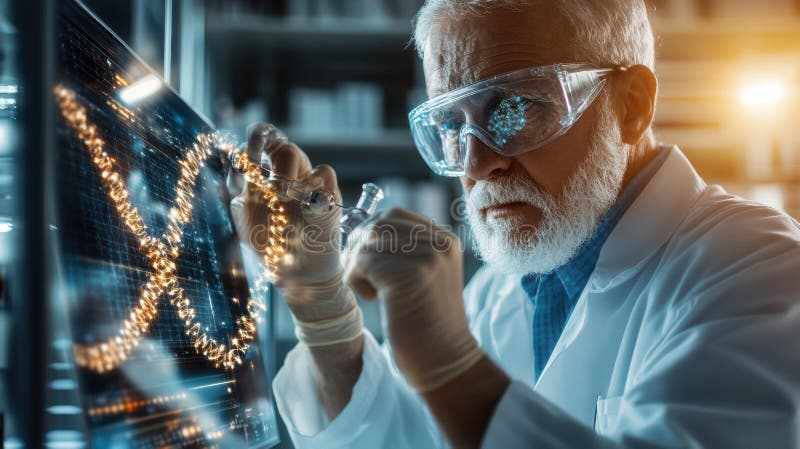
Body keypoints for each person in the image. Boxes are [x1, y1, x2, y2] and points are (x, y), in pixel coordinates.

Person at [230, 1, 800, 448]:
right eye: (451, 124)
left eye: (514, 109)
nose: (477, 165)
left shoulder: (764, 271)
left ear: (630, 105)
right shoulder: (500, 292)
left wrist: (448, 362)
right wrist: (323, 309)